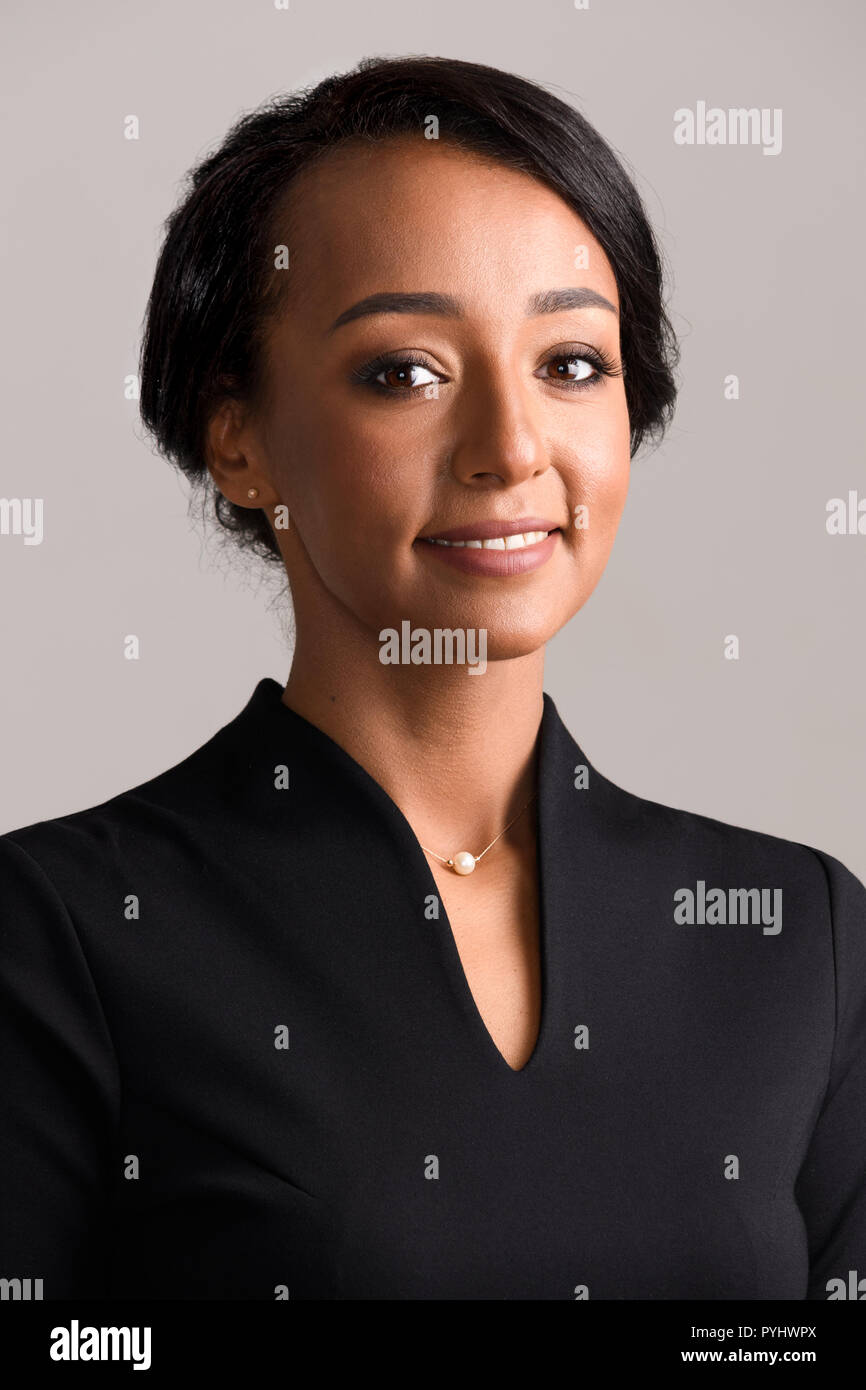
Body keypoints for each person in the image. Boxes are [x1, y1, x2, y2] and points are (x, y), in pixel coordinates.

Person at [1, 55, 864, 1301]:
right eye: (403, 371)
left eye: (570, 363)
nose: (509, 448)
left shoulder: (795, 935)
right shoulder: (60, 936)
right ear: (235, 438)